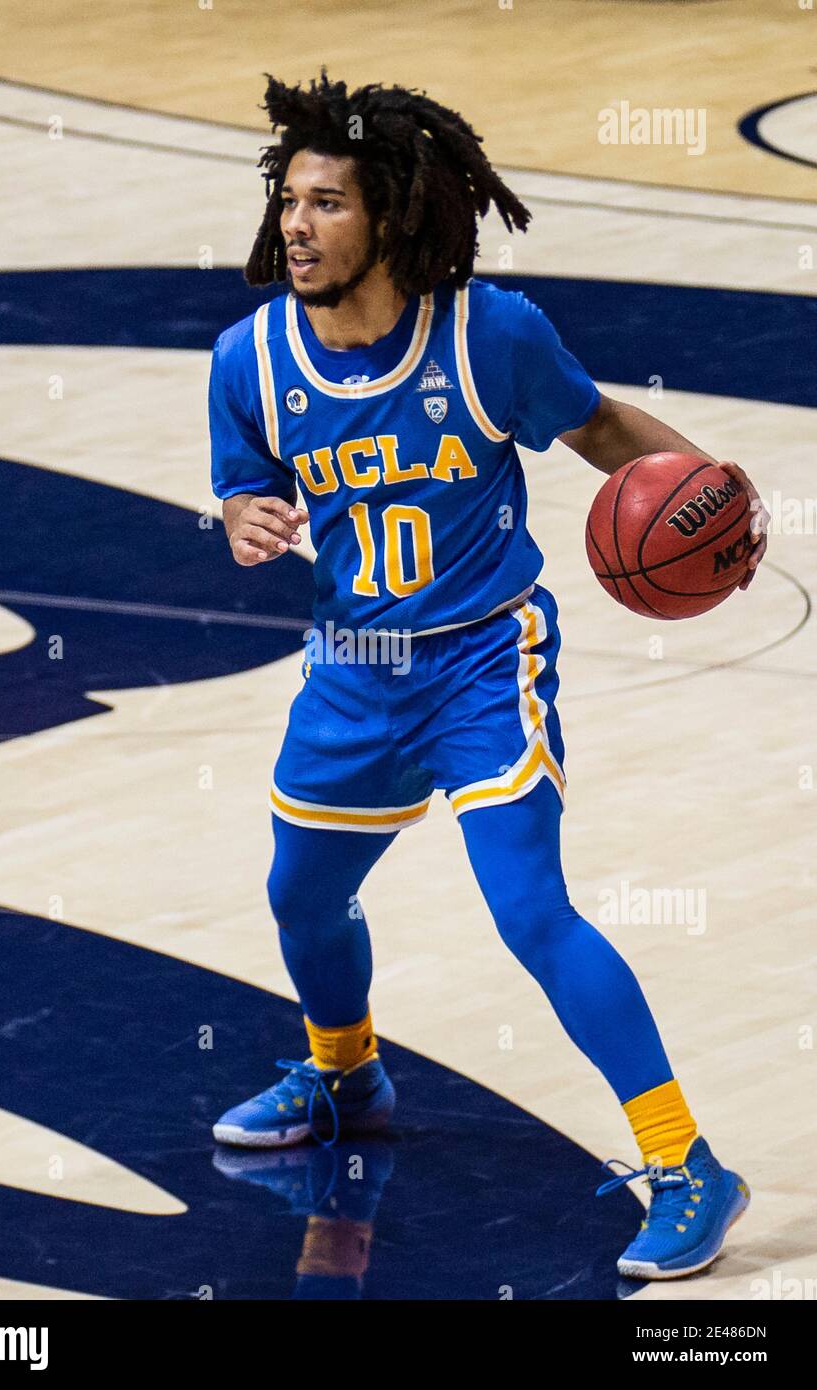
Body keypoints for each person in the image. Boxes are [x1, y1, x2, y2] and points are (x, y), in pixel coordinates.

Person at [207, 71, 765, 1279]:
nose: (296, 225)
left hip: (481, 660)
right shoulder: (247, 358)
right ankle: (346, 1072)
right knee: (301, 895)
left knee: (528, 910)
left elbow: (604, 431)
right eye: (287, 200)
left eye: (326, 204)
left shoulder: (487, 335)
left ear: (391, 218)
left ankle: (685, 1166)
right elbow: (244, 476)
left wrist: (723, 492)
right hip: (352, 671)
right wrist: (243, 515)